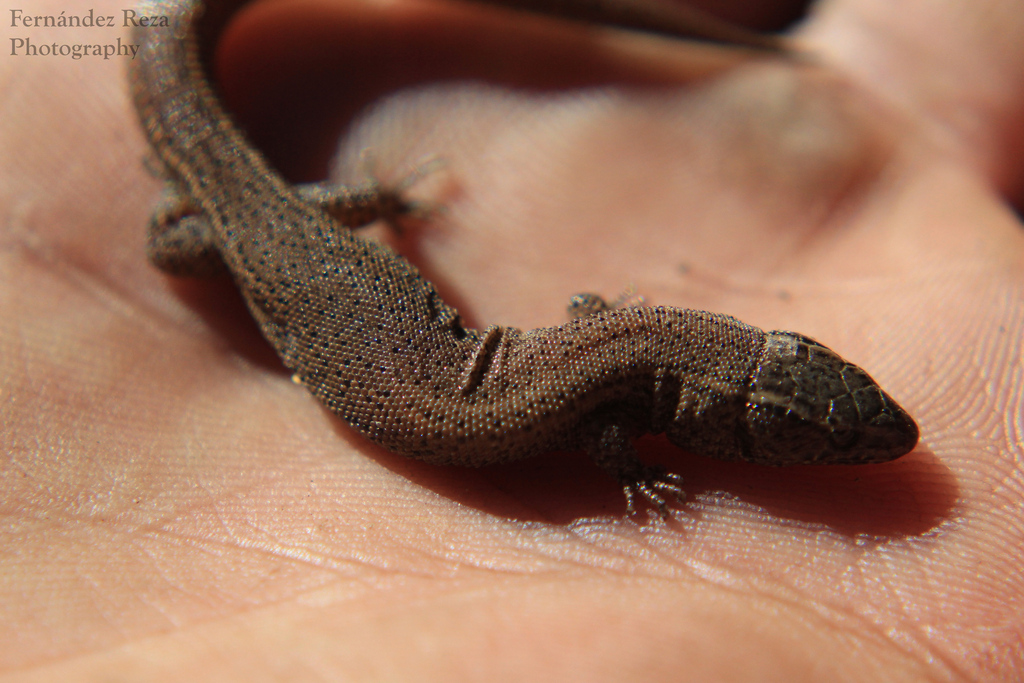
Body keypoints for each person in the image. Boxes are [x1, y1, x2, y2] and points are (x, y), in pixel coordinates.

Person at [2, 0, 1021, 678]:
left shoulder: (618, 368)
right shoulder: (615, 404)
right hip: (296, 254)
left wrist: (374, 207)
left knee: (204, 229)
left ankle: (240, 212)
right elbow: (606, 410)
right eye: (814, 426)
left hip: (302, 244)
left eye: (822, 429)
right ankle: (216, 215)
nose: (855, 440)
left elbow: (594, 338)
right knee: (197, 235)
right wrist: (626, 466)